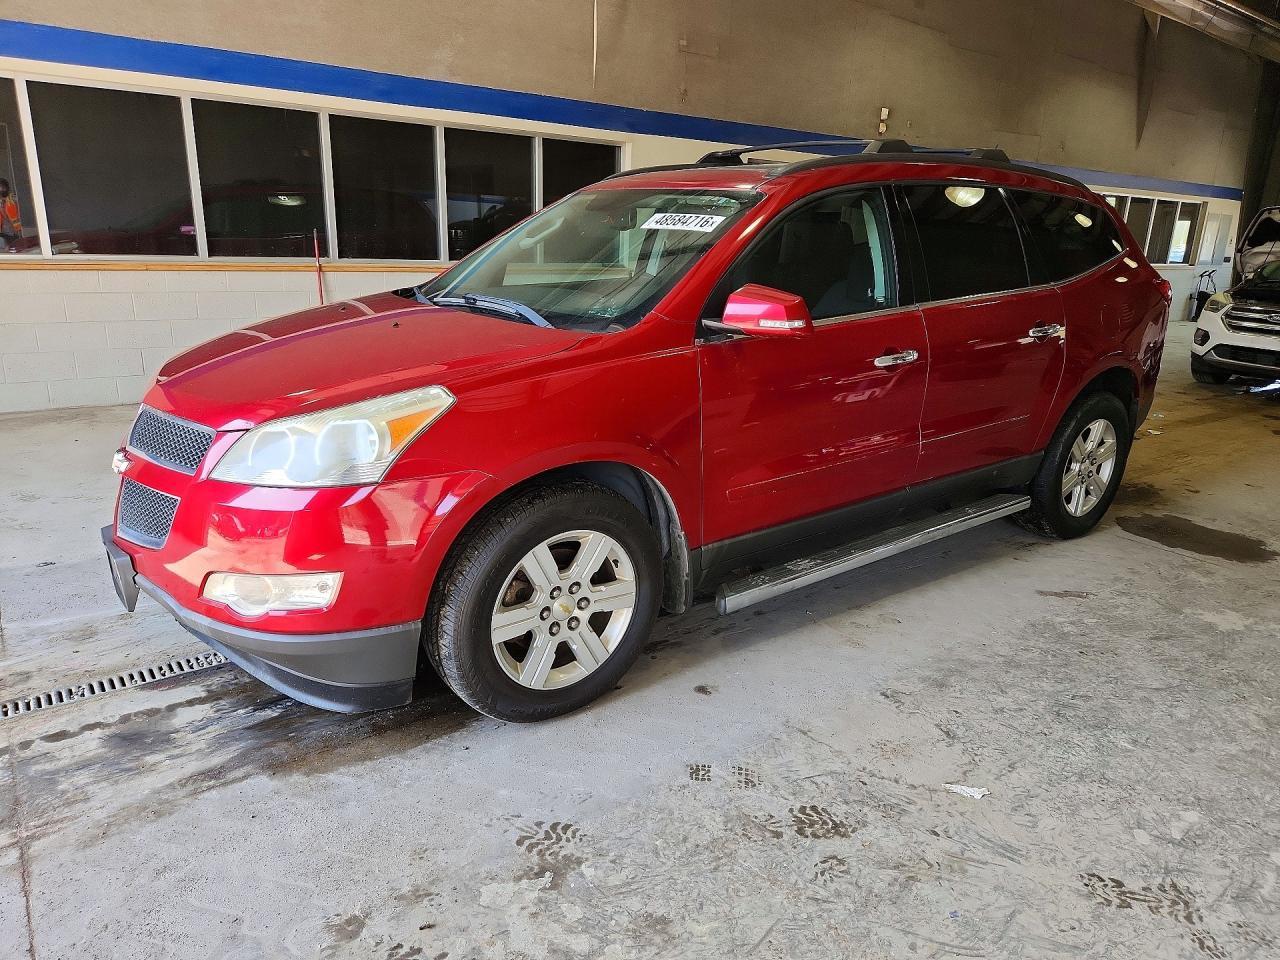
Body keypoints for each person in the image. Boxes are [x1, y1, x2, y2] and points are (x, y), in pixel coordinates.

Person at [0, 178, 23, 252]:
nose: (2, 189)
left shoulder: (13, 200)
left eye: (3, 187)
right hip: (3, 233)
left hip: (15, 233)